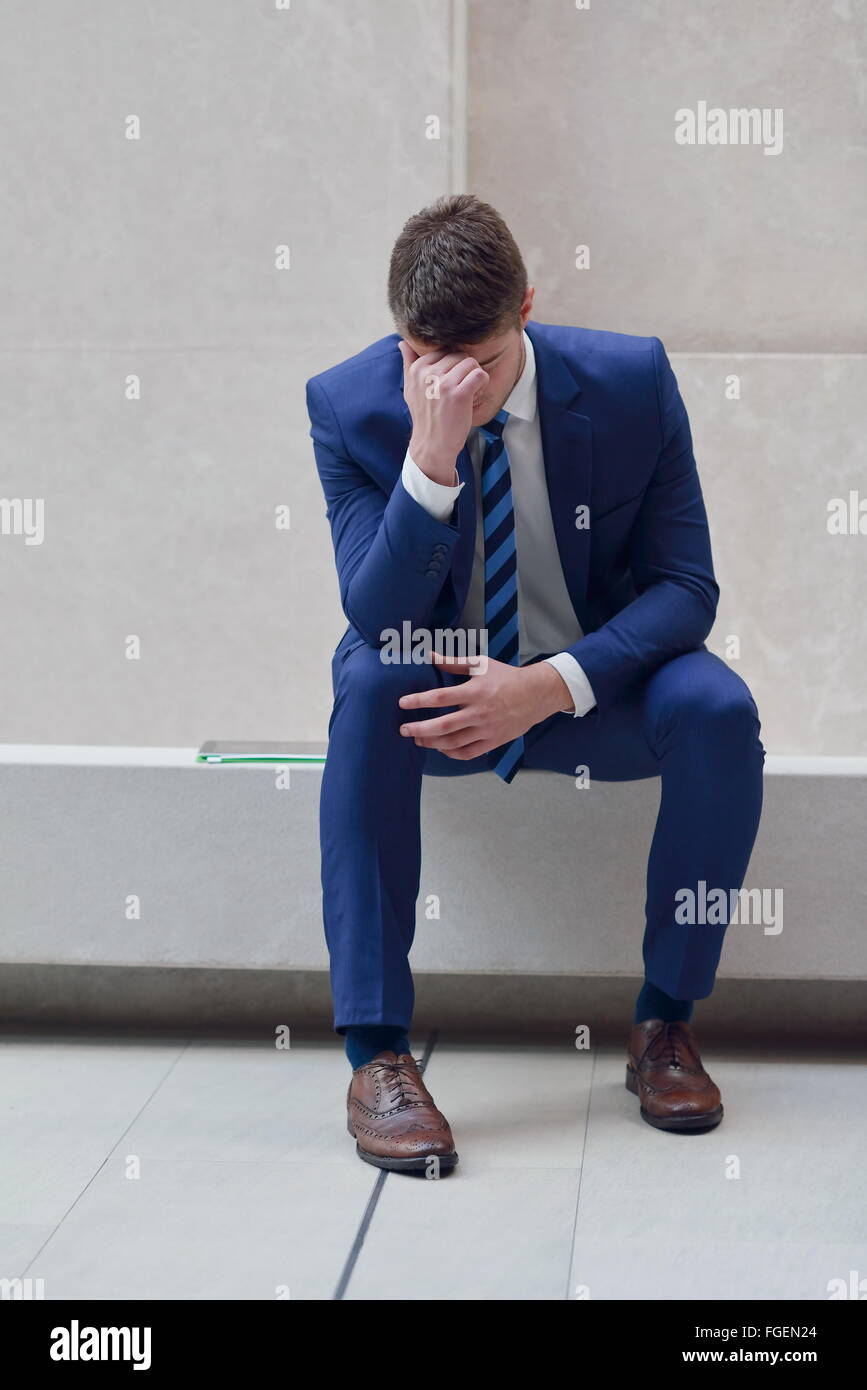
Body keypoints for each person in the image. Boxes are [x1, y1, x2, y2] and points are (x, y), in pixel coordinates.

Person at [306, 194, 764, 1173]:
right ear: (401, 338)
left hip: (585, 687)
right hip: (437, 698)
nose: (461, 391)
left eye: (486, 367)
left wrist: (550, 683)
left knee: (719, 709)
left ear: (528, 308)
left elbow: (689, 588)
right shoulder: (347, 407)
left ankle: (665, 1025)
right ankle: (377, 1055)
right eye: (433, 367)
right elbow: (372, 609)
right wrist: (430, 465)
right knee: (364, 680)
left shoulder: (632, 380)